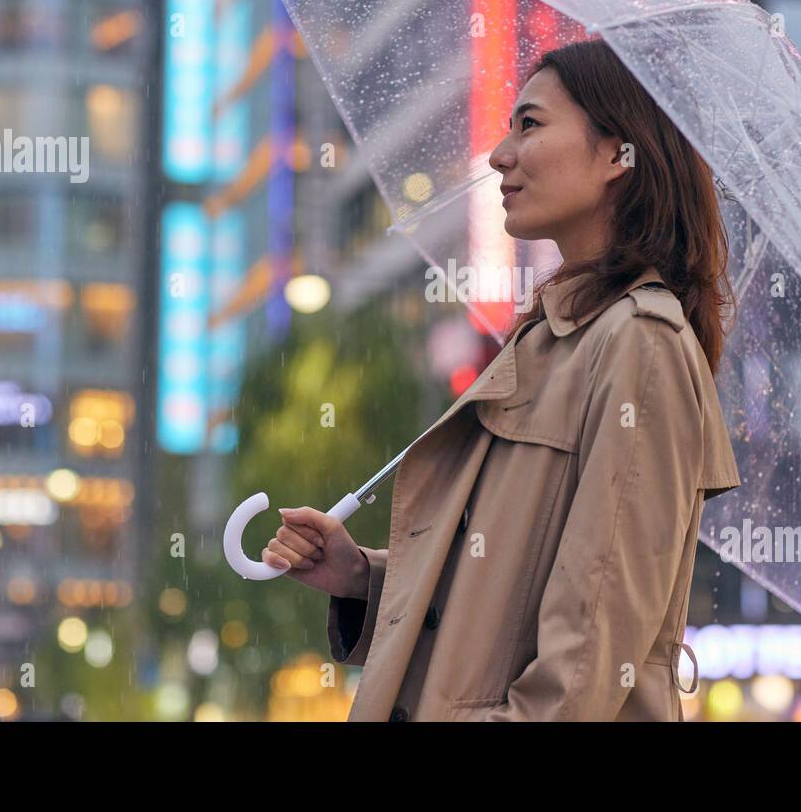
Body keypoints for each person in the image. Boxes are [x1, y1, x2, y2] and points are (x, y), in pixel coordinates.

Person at [261, 37, 742, 721]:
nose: (499, 154)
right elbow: (505, 583)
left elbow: (591, 643)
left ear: (616, 154)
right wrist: (362, 576)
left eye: (531, 124)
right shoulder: (555, 337)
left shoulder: (641, 343)